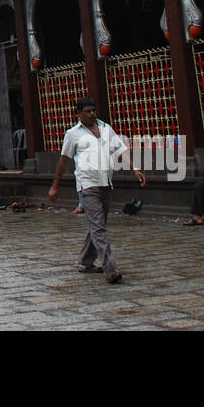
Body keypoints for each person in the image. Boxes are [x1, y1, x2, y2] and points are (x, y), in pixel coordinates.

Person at [48, 97, 146, 284]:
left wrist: (134, 169)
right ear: (79, 114)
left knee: (97, 225)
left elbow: (120, 150)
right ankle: (110, 269)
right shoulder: (73, 134)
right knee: (99, 226)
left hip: (105, 183)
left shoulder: (105, 128)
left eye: (94, 110)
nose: (92, 114)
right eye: (88, 111)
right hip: (87, 185)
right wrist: (55, 186)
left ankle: (86, 260)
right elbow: (63, 161)